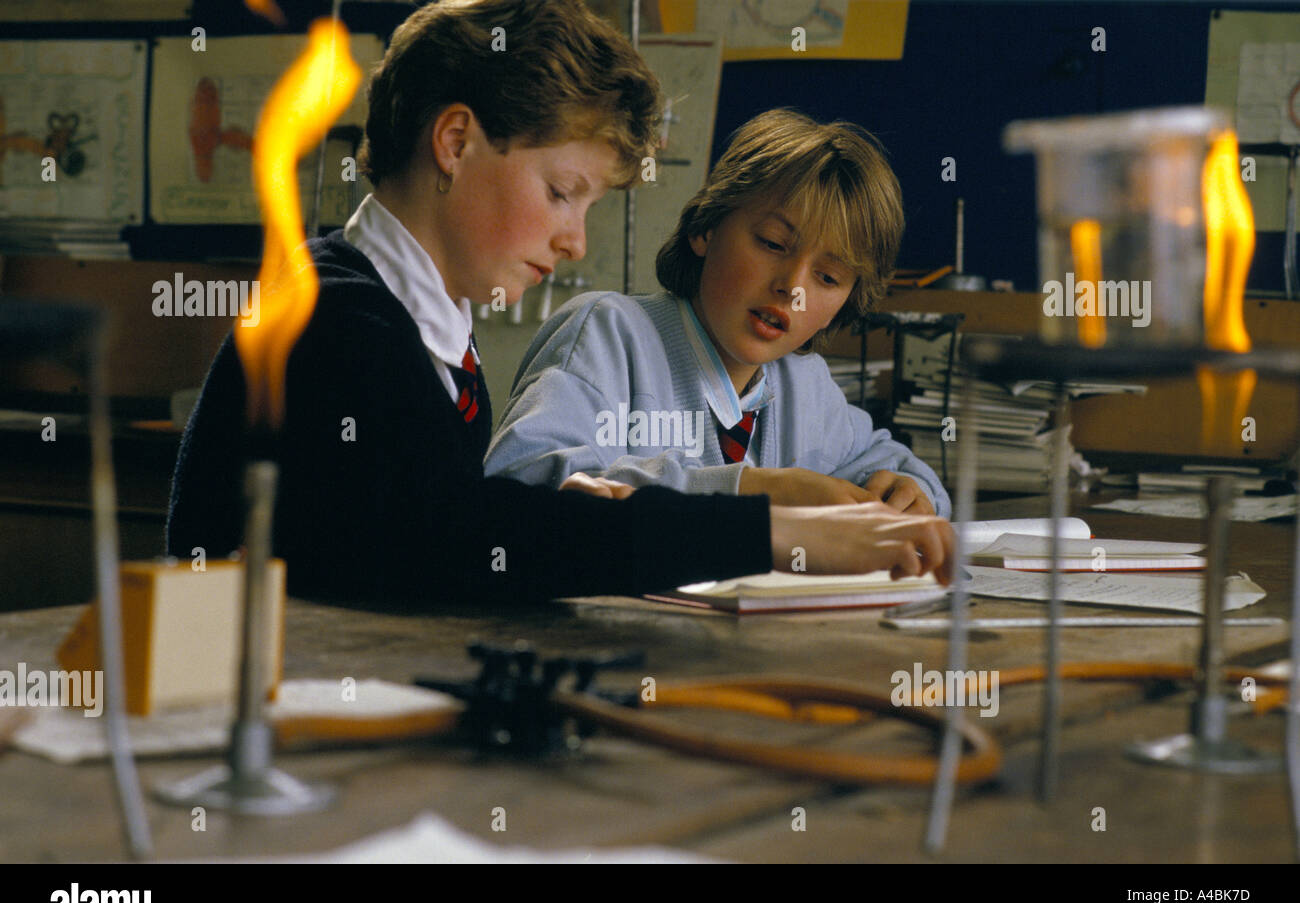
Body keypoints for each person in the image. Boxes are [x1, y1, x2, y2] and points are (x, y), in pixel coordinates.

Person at [166, 0, 955, 605]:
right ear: (455, 143)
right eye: (560, 192)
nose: (575, 240)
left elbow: (468, 533)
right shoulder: (335, 320)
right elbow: (476, 539)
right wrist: (768, 526)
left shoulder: (426, 329)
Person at [485, 108, 951, 518]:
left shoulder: (806, 387)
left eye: (828, 278)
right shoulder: (607, 335)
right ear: (705, 229)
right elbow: (521, 486)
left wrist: (913, 492)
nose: (792, 289)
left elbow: (893, 464)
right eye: (772, 243)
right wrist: (750, 491)